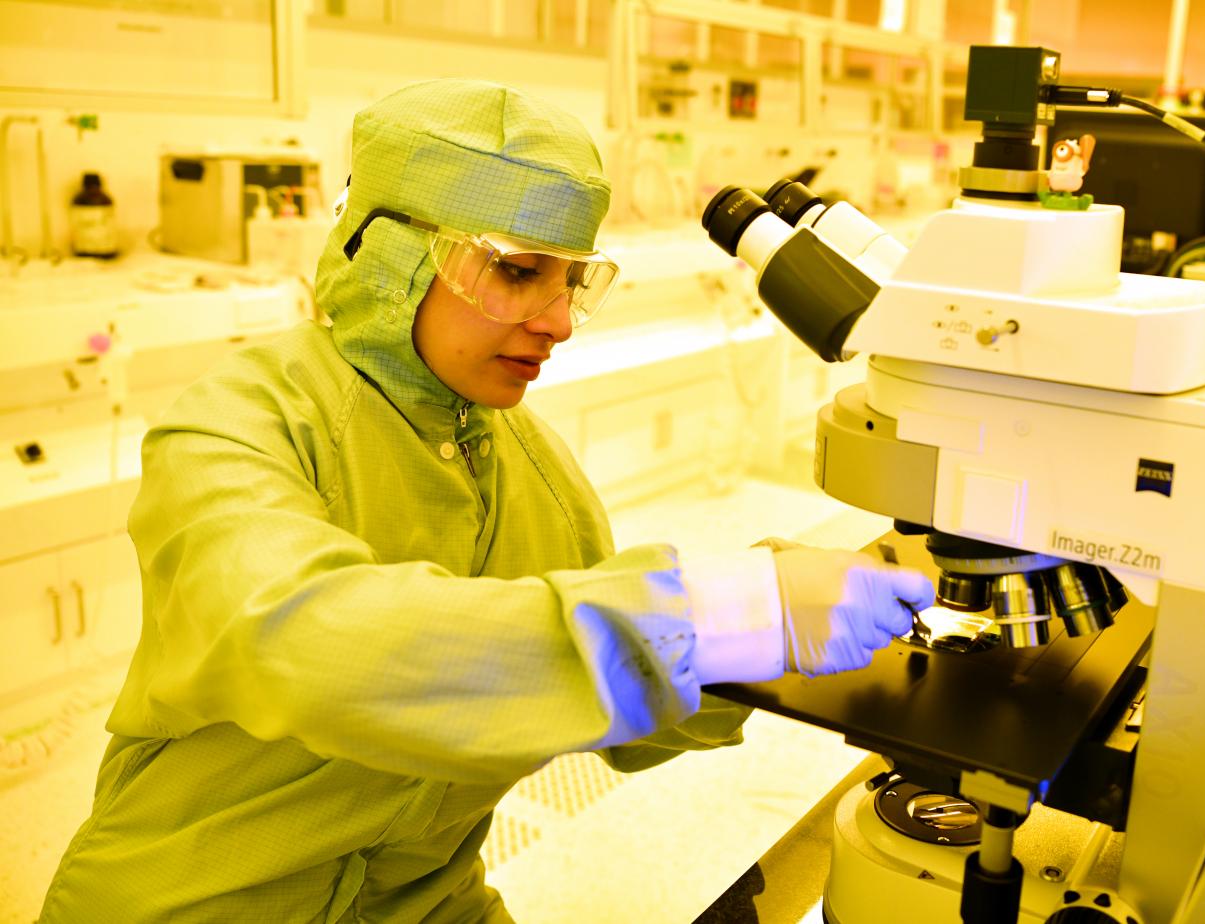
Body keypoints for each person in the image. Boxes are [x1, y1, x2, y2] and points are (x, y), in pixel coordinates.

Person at [40, 80, 933, 922]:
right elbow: (308, 644)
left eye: (572, 280)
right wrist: (726, 613)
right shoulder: (238, 423)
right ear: (392, 258)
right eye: (515, 272)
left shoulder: (533, 471)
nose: (555, 320)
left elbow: (604, 697)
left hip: (428, 902)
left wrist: (805, 628)